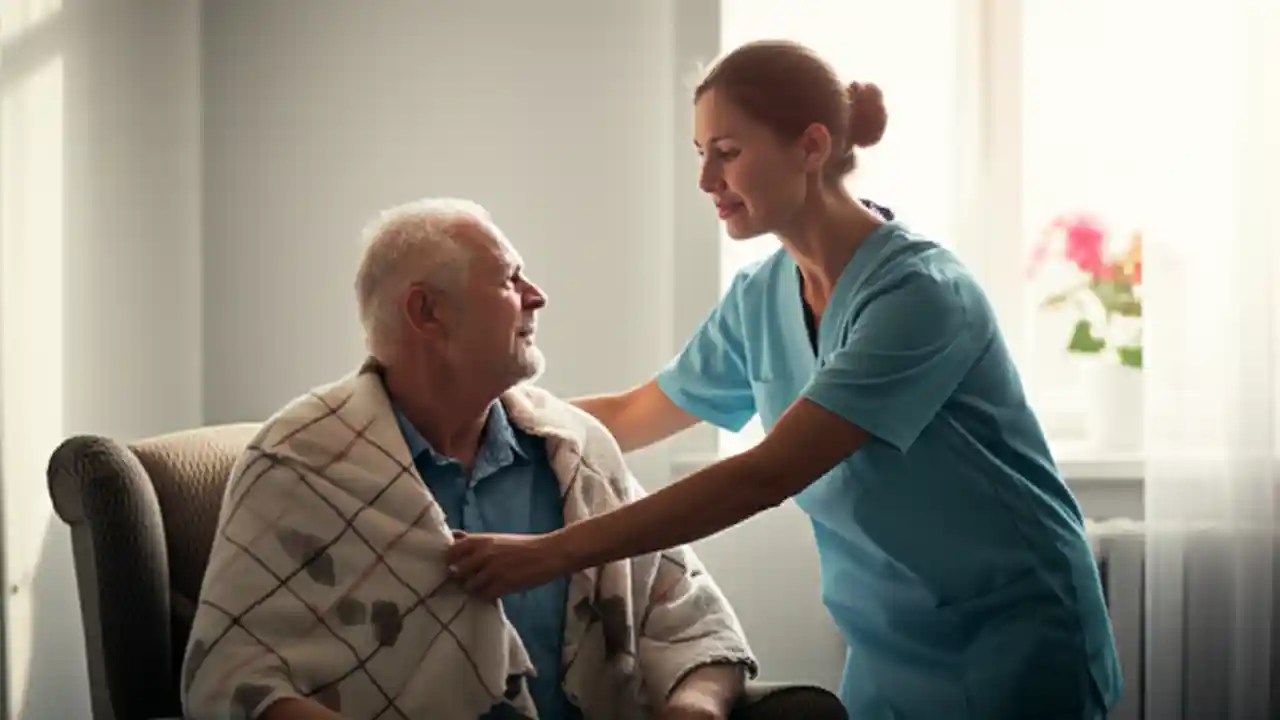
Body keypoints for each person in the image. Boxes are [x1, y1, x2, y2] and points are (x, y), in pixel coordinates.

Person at [446, 40, 1123, 720]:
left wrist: (552, 554)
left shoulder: (920, 294)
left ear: (812, 146)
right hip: (888, 645)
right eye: (700, 153)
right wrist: (469, 416)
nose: (706, 179)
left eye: (727, 152)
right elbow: (633, 413)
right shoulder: (761, 295)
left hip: (1015, 634)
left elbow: (765, 476)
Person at [181, 198, 757, 720]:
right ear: (427, 311)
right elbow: (231, 675)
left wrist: (696, 708)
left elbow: (695, 621)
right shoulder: (297, 461)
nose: (537, 296)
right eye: (510, 279)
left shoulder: (577, 449)